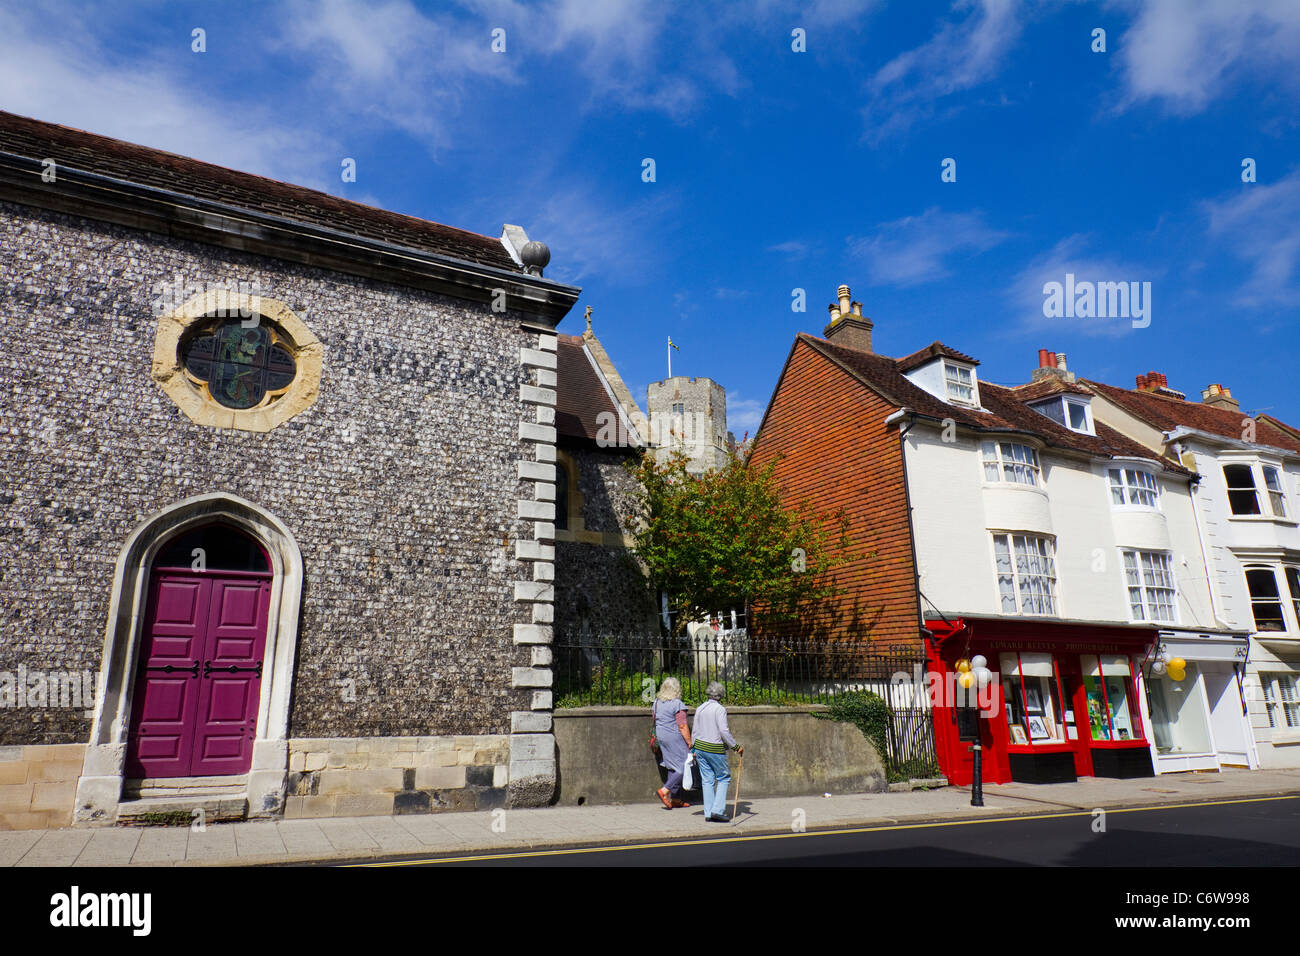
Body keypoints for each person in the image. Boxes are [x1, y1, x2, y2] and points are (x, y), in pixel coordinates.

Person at [691, 681, 743, 822]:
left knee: (707, 780)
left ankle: (708, 813)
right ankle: (718, 810)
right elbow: (723, 731)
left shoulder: (700, 708)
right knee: (723, 777)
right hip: (714, 748)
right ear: (720, 696)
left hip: (700, 748)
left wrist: (693, 748)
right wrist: (736, 746)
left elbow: (695, 730)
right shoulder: (719, 709)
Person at [652, 677, 693, 809]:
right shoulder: (677, 704)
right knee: (682, 766)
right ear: (677, 689)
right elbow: (682, 725)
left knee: (671, 766)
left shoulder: (656, 703)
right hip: (674, 737)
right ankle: (664, 791)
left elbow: (655, 719)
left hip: (661, 736)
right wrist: (689, 741)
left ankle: (675, 799)